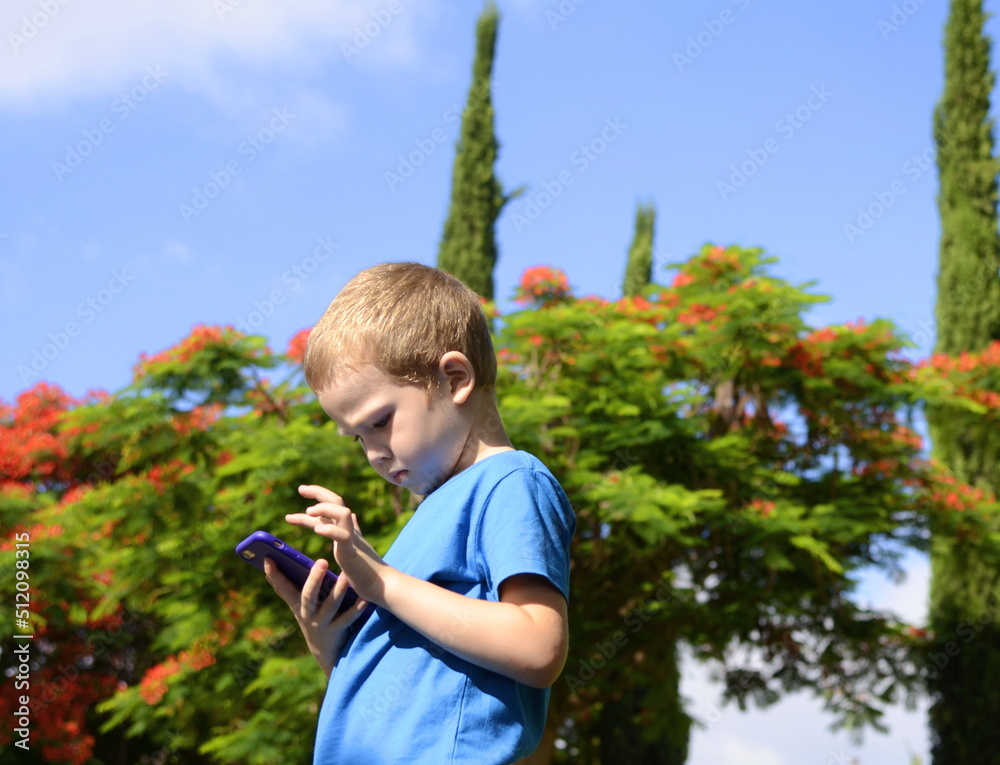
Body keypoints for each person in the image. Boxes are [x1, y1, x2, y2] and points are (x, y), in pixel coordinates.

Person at [265, 262, 576, 764]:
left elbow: (539, 647)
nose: (374, 454)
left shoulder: (511, 481)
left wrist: (381, 581)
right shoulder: (428, 520)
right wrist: (328, 641)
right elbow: (401, 701)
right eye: (358, 439)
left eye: (380, 422)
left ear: (454, 378)